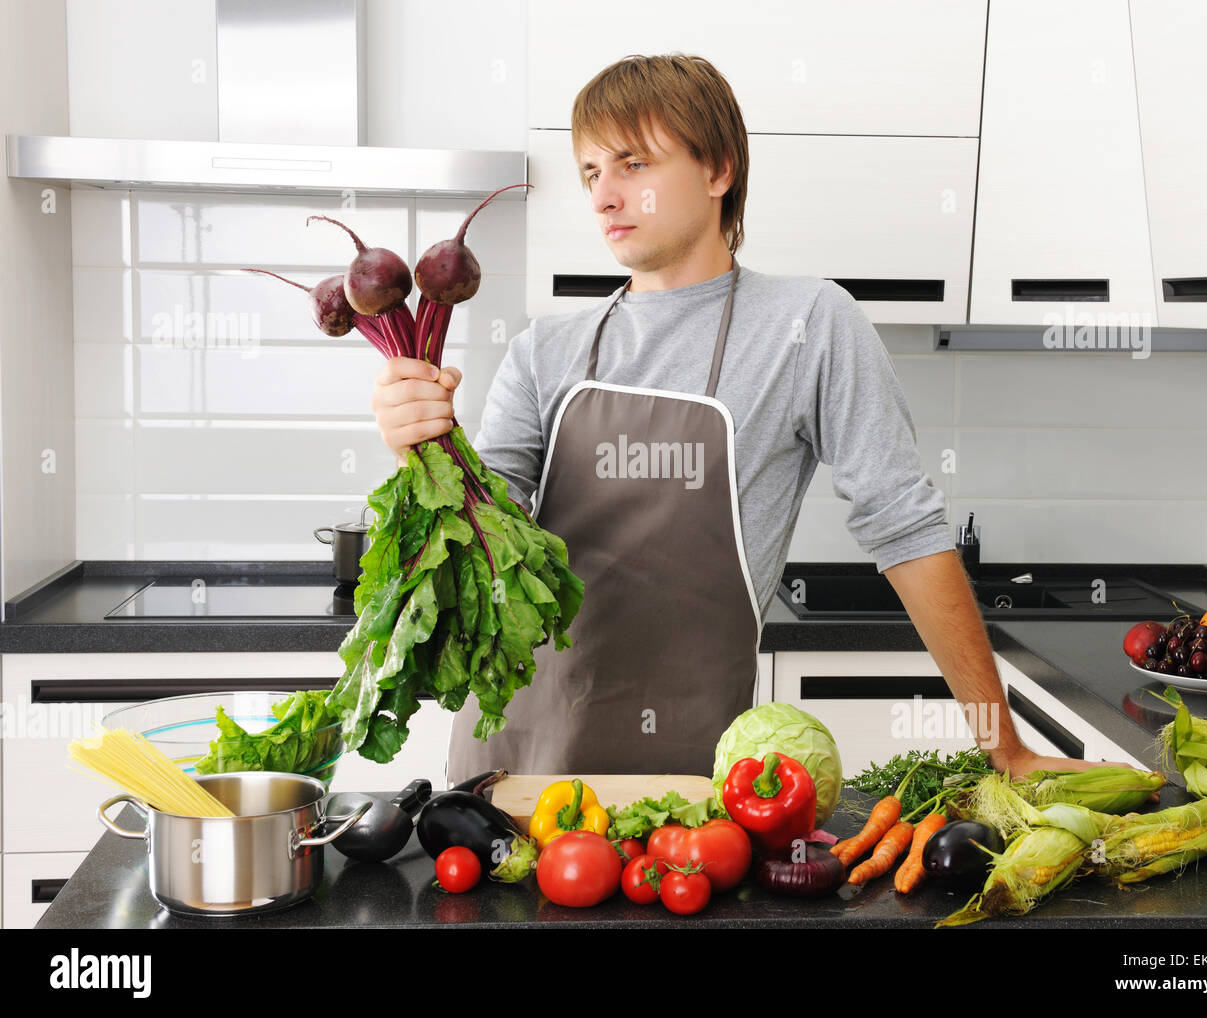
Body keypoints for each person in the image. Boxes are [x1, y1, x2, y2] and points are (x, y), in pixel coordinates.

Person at [372, 53, 1110, 785]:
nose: (603, 195)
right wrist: (421, 455)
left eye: (632, 164)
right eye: (592, 172)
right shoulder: (544, 351)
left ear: (719, 168)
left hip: (695, 781)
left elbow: (908, 533)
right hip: (517, 767)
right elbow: (480, 556)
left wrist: (1002, 747)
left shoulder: (809, 325)